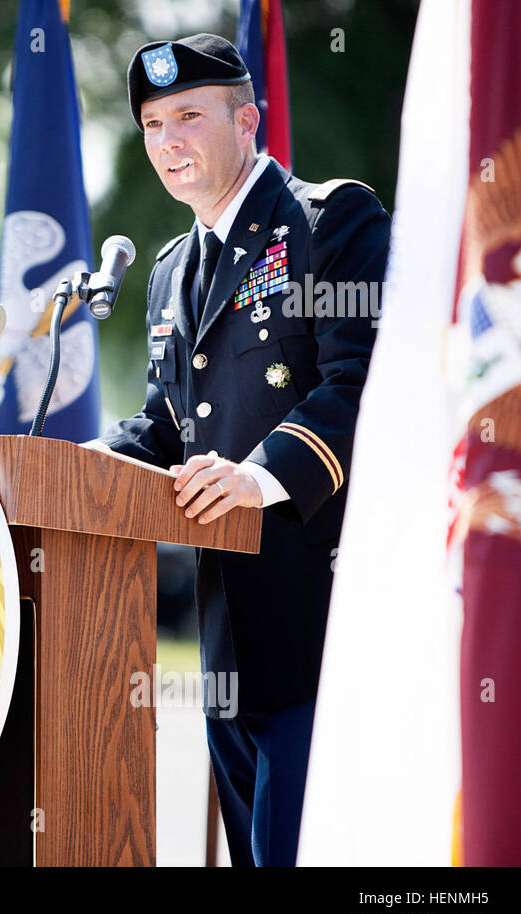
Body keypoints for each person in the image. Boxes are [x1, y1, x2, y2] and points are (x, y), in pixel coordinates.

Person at [85, 33, 391, 865]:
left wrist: (257, 478)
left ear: (247, 119)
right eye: (152, 124)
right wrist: (69, 471)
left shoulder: (331, 221)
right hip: (229, 648)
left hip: (322, 629)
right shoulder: (170, 268)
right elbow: (164, 424)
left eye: (190, 115)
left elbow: (360, 387)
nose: (169, 141)